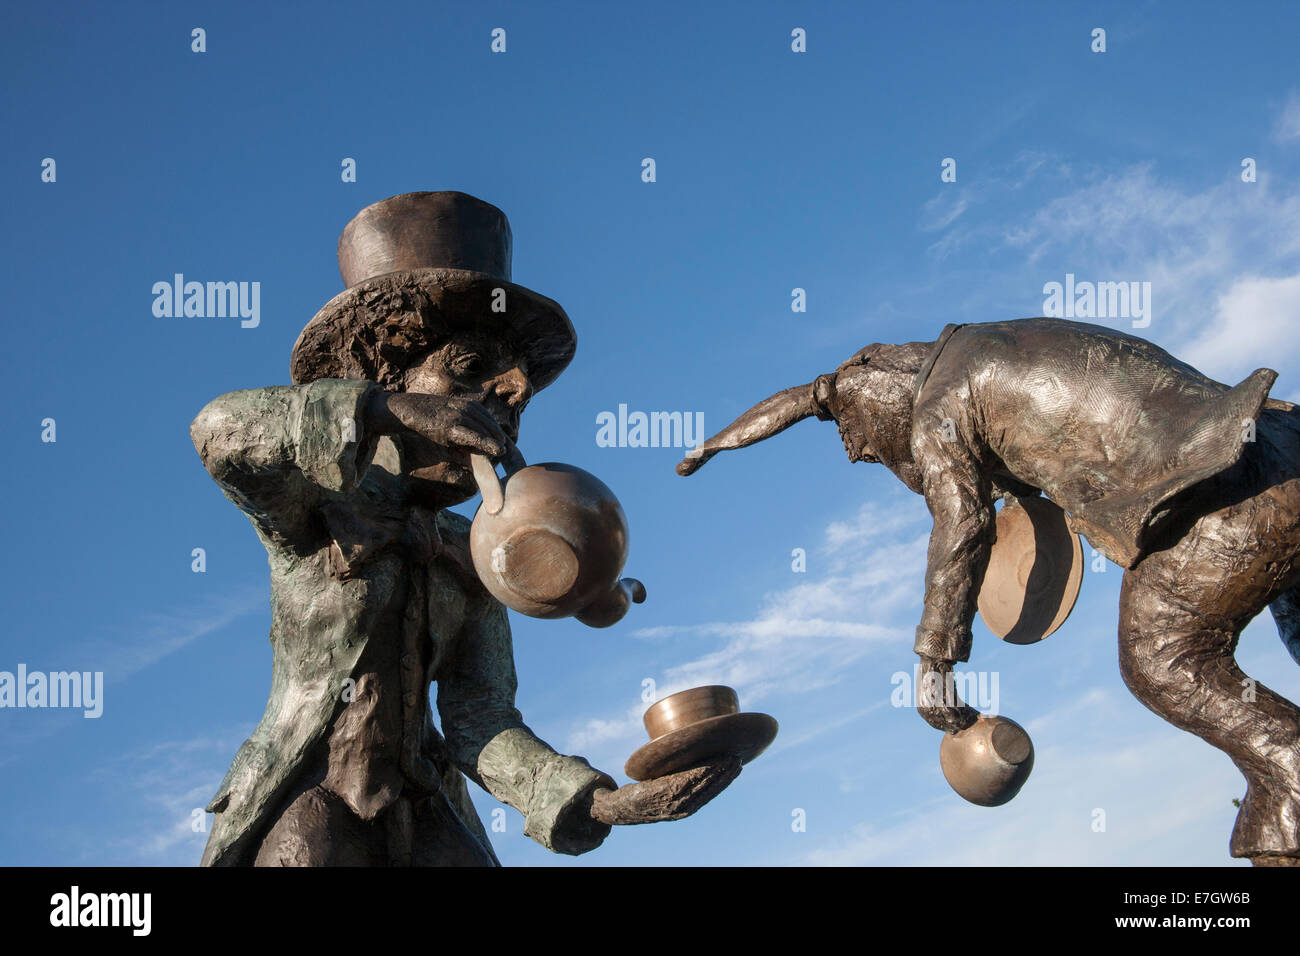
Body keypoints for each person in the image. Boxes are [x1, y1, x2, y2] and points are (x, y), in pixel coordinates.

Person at [193, 191, 737, 866]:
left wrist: (599, 801)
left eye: (517, 396)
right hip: (310, 798)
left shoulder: (479, 551)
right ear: (393, 379)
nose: (507, 400)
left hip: (425, 803)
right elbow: (219, 432)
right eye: (470, 369)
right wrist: (388, 411)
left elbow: (481, 717)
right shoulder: (312, 507)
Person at [678, 317, 1300, 865]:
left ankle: (1289, 778)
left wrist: (934, 662)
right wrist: (716, 443)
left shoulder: (938, 407)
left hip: (1224, 499)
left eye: (867, 450)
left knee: (1162, 661)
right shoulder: (986, 347)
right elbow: (809, 397)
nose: (880, 459)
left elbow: (963, 523)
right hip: (1279, 447)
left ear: (877, 402)